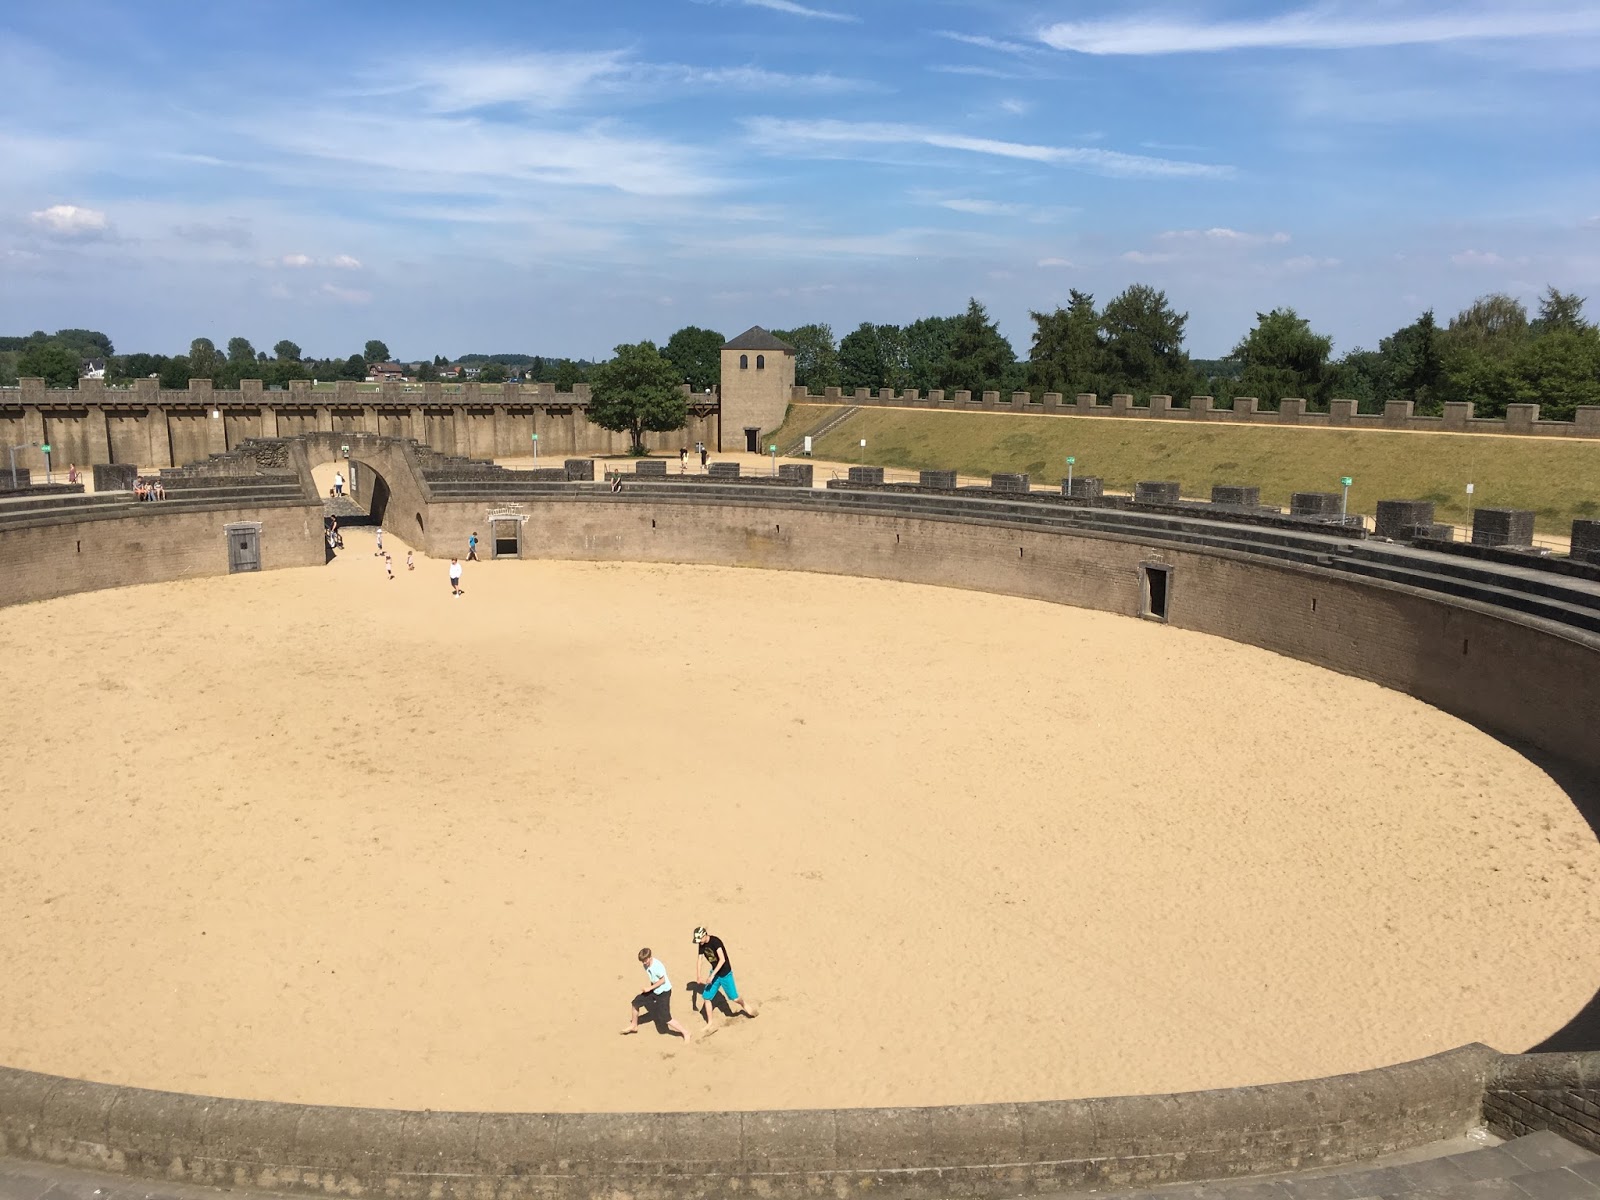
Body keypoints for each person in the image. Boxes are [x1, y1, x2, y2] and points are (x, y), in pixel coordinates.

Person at [692, 926, 757, 1028]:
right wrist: (698, 976)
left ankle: (744, 1005)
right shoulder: (701, 944)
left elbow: (722, 960)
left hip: (725, 974)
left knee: (734, 998)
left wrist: (712, 976)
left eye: (700, 939)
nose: (699, 942)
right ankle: (710, 1023)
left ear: (704, 935)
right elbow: (699, 960)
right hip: (715, 973)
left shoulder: (716, 942)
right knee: (706, 997)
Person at [622, 947, 691, 1041]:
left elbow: (663, 980)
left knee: (666, 1018)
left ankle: (685, 1032)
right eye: (642, 961)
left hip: (664, 992)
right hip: (654, 990)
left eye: (645, 961)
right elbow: (653, 979)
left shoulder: (657, 966)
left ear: (650, 957)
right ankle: (634, 1025)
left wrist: (649, 988)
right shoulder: (646, 964)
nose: (644, 963)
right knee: (635, 1003)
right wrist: (650, 989)